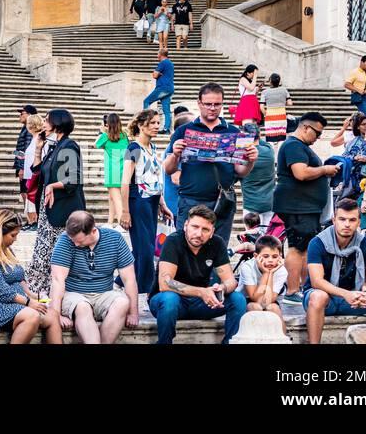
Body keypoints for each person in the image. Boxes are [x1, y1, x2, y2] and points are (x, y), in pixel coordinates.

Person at [163, 82, 259, 245]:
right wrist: (175, 155)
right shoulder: (183, 130)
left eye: (217, 104)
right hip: (190, 200)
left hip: (221, 201)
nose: (213, 108)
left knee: (217, 251)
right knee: (184, 249)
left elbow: (241, 172)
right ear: (199, 103)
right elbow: (168, 169)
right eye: (208, 104)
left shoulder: (234, 132)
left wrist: (250, 160)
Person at [151, 205, 246, 344]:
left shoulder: (217, 243)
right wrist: (201, 292)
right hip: (168, 302)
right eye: (195, 227)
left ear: (212, 232)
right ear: (185, 225)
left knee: (237, 299)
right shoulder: (173, 241)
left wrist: (222, 288)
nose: (199, 233)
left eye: (205, 229)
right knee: (169, 299)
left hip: (200, 303)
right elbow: (165, 283)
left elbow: (231, 281)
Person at [303, 198, 366, 343]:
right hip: (326, 300)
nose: (347, 224)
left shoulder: (365, 243)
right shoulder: (318, 242)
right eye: (342, 219)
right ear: (334, 220)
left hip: (355, 299)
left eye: (352, 220)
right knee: (318, 296)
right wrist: (346, 294)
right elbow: (317, 281)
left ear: (358, 222)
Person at [0, 211, 58, 343]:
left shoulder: (4, 248)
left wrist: (34, 296)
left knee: (52, 315)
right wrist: (29, 303)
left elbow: (18, 277)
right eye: (13, 235)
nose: (15, 239)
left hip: (8, 301)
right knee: (31, 315)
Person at [48, 210, 139, 344]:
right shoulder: (66, 240)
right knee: (83, 307)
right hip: (74, 294)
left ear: (93, 231)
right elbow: (57, 280)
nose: (75, 244)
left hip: (104, 294)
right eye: (73, 240)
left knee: (122, 302)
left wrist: (133, 312)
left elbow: (129, 279)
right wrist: (56, 315)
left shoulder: (115, 239)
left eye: (79, 241)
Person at [27, 108, 85, 298]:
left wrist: (52, 185)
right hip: (49, 209)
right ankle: (41, 291)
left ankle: (55, 291)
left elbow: (73, 179)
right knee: (44, 252)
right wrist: (38, 148)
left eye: (47, 119)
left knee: (59, 253)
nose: (43, 123)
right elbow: (37, 169)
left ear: (57, 123)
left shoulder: (69, 146)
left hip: (63, 210)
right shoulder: (54, 146)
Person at [121, 110, 171, 296]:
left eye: (158, 123)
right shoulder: (133, 148)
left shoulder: (153, 147)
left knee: (147, 244)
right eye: (153, 123)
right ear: (141, 125)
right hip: (138, 200)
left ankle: (123, 279)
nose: (157, 127)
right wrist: (125, 211)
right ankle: (145, 286)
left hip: (152, 199)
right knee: (145, 247)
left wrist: (162, 203)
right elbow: (125, 181)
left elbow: (156, 178)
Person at [237, 234, 287, 328]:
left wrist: (270, 273)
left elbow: (269, 301)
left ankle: (284, 339)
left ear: (280, 257)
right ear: (256, 256)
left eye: (275, 256)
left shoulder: (282, 271)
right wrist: (265, 273)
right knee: (256, 307)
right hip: (247, 300)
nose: (270, 260)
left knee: (273, 308)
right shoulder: (247, 267)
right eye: (266, 256)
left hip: (269, 300)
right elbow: (254, 298)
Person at [95, 113, 128, 227]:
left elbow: (96, 144)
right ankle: (110, 222)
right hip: (123, 169)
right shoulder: (124, 135)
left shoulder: (105, 136)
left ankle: (121, 223)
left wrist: (102, 131)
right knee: (112, 197)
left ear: (107, 124)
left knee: (117, 199)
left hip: (112, 170)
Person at [239, 120, 276, 221]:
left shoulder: (242, 156)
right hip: (270, 203)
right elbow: (261, 142)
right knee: (268, 235)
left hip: (251, 205)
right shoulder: (269, 150)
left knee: (251, 235)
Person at [143, 47, 175, 132]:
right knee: (166, 110)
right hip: (170, 88)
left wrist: (158, 73)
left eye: (157, 54)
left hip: (162, 88)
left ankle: (146, 123)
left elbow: (154, 75)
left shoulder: (162, 63)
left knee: (146, 101)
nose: (157, 56)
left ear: (160, 55)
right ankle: (166, 128)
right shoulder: (170, 63)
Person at [260, 72, 293, 141]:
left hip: (270, 118)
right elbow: (290, 103)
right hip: (281, 117)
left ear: (270, 81)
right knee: (281, 139)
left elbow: (261, 107)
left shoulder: (265, 92)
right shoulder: (284, 90)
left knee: (270, 139)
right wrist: (282, 103)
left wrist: (266, 114)